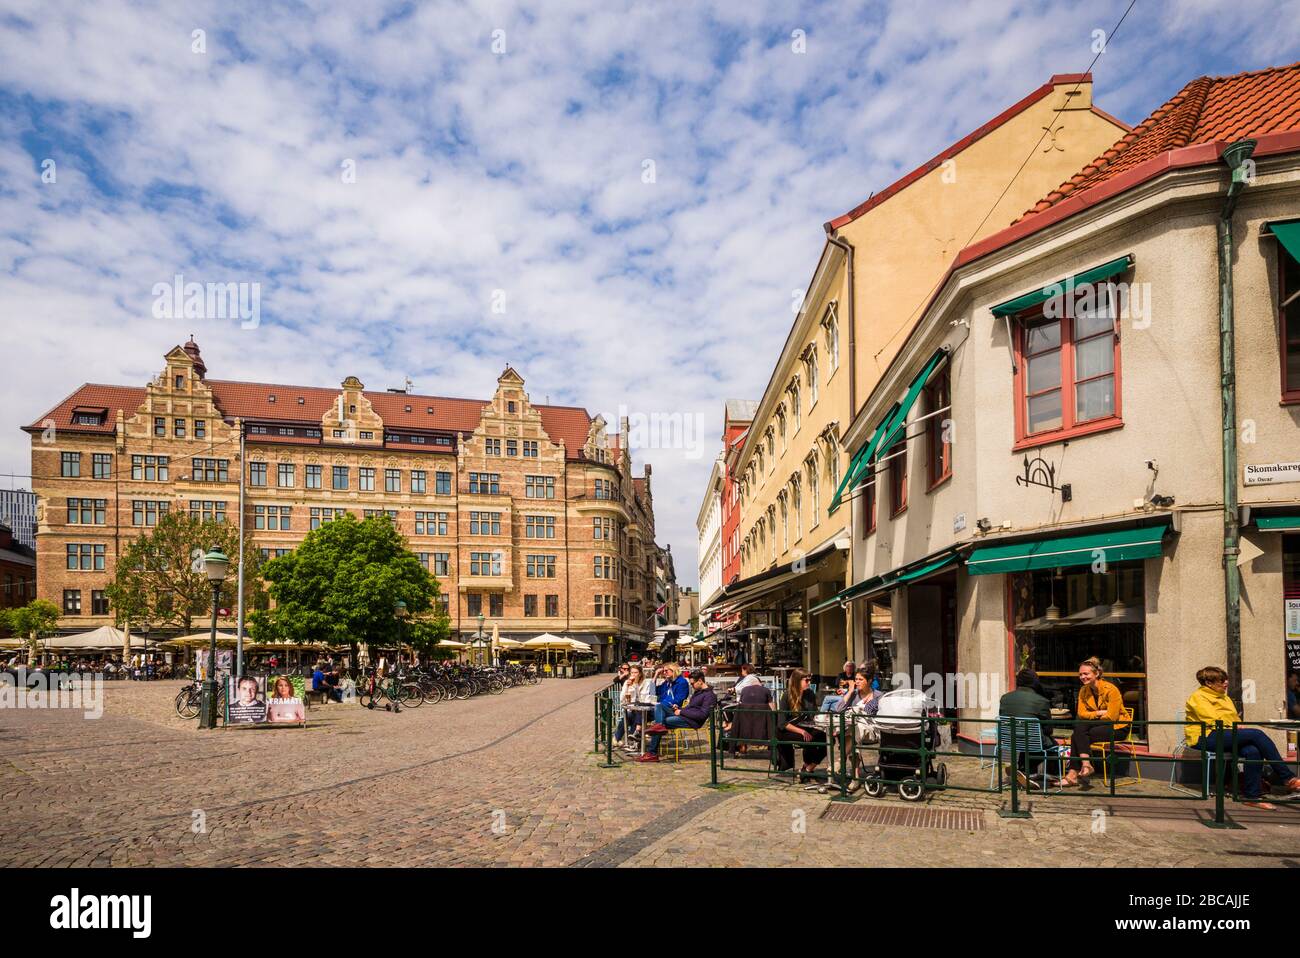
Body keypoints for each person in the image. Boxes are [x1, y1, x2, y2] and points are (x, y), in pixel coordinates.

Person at [1184, 666, 1300, 809]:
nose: (1226, 683)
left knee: (1253, 751)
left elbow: (1232, 719)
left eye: (1226, 679)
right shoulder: (1198, 697)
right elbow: (1210, 719)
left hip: (1223, 733)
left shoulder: (1224, 698)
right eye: (1222, 680)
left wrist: (1237, 726)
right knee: (1257, 734)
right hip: (1205, 736)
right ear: (1209, 683)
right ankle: (1287, 778)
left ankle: (1252, 796)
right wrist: (1235, 728)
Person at [1061, 658, 1128, 787]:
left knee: (1078, 734)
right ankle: (1085, 765)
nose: (1082, 677)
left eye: (1086, 674)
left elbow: (1111, 717)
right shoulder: (1083, 690)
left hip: (1118, 727)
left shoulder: (1111, 689)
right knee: (1079, 733)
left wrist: (1092, 716)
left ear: (1096, 674)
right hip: (1097, 725)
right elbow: (1081, 714)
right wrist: (1098, 713)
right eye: (1080, 674)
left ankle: (1074, 773)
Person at [639, 671, 718, 762]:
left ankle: (652, 753)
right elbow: (691, 708)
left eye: (692, 684)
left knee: (661, 722)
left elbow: (702, 715)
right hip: (685, 716)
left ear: (700, 681)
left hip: (692, 721)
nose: (692, 686)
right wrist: (679, 708)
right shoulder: (698, 692)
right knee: (659, 706)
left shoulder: (710, 696)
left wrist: (681, 712)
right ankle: (654, 744)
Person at [998, 668, 1059, 788]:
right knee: (1051, 745)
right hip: (1033, 742)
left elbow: (1003, 718)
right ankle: (1048, 775)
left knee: (1026, 740)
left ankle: (1022, 771)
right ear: (1035, 682)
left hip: (1009, 741)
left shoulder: (1005, 698)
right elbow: (1048, 729)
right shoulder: (1041, 701)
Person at [774, 669, 827, 780]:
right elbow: (782, 723)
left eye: (810, 680)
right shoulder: (786, 695)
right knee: (810, 738)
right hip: (786, 730)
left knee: (825, 737)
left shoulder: (809, 694)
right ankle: (806, 769)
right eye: (806, 680)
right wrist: (802, 731)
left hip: (805, 726)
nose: (809, 683)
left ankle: (808, 768)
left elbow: (814, 714)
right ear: (797, 681)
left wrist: (822, 721)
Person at [614, 664, 656, 748]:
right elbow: (622, 699)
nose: (633, 675)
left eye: (636, 672)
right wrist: (626, 686)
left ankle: (619, 739)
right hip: (633, 710)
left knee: (631, 715)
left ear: (640, 673)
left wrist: (636, 684)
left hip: (647, 711)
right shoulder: (627, 682)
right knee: (630, 715)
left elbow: (649, 700)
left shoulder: (648, 683)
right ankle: (633, 740)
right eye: (632, 672)